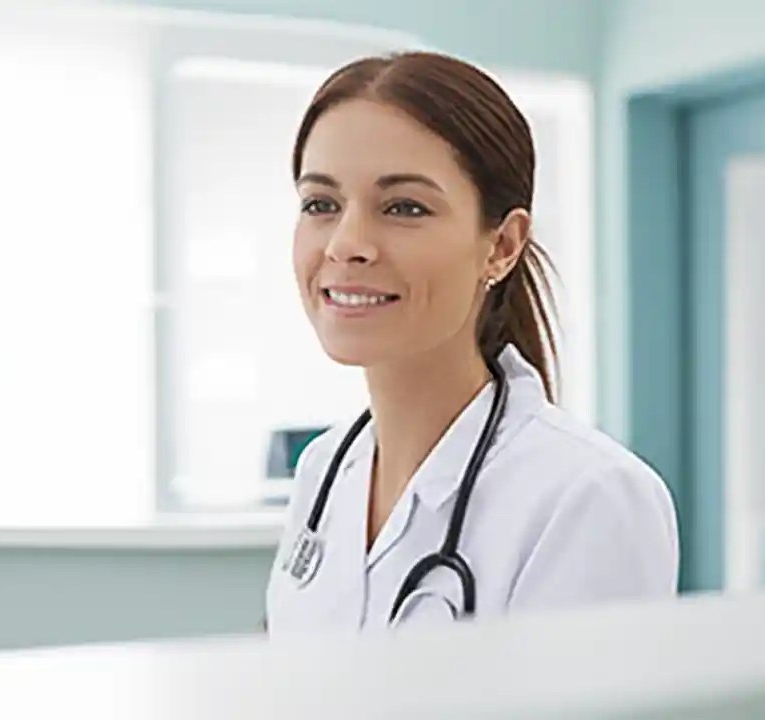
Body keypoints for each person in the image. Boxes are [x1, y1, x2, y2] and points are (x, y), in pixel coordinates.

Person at [265, 51, 679, 634]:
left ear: (503, 245)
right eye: (321, 205)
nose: (346, 244)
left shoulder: (590, 498)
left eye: (403, 207)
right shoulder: (325, 470)